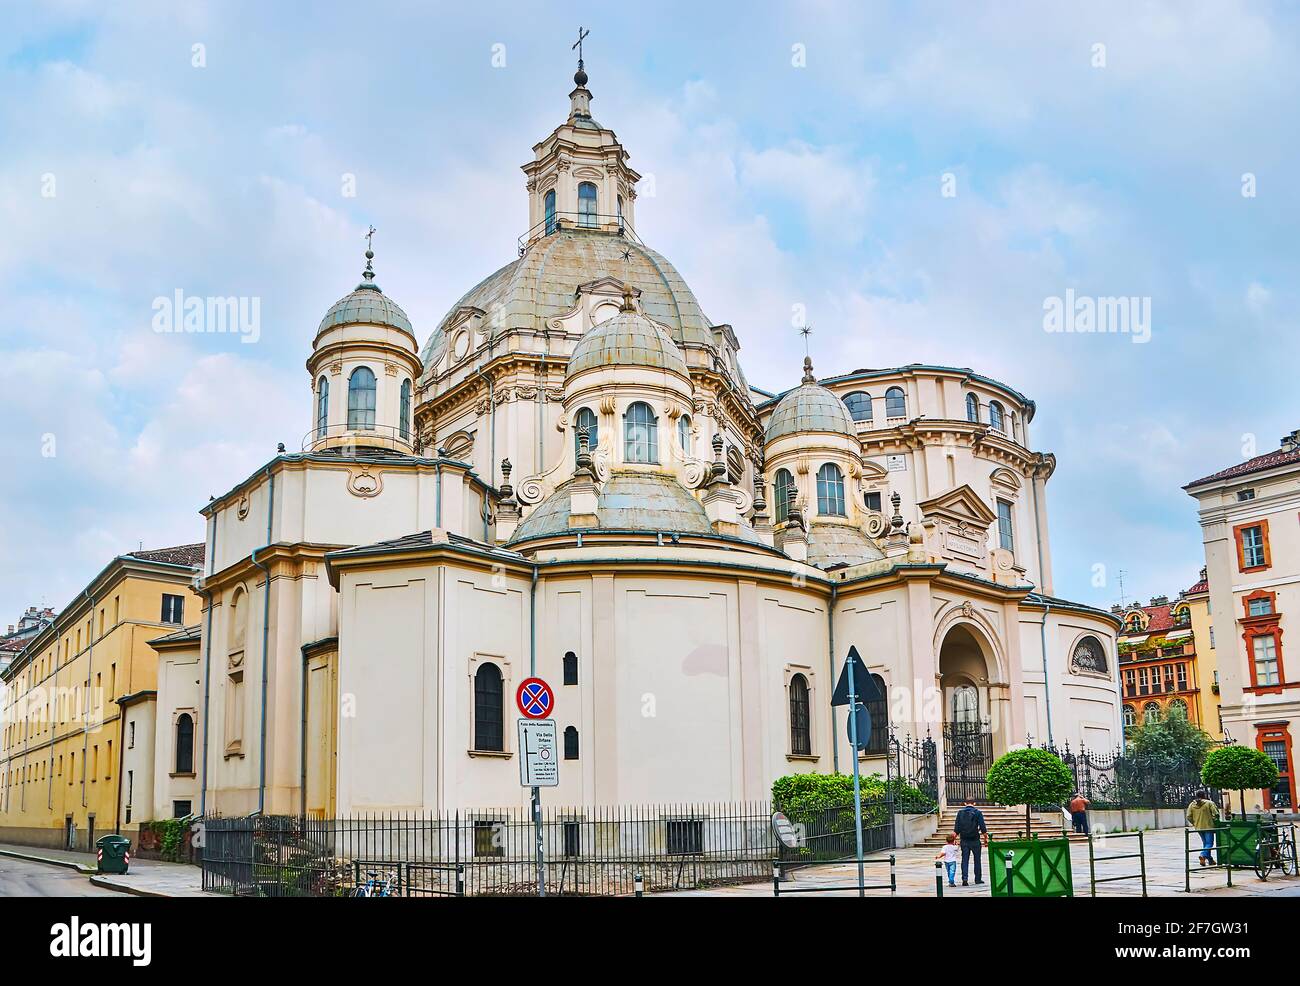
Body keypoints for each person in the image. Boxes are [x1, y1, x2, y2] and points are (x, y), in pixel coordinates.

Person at [953, 798, 989, 885]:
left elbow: (956, 828)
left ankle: (964, 879)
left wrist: (954, 839)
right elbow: (982, 827)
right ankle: (977, 879)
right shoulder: (978, 812)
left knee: (964, 859)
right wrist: (985, 838)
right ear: (974, 803)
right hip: (975, 839)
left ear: (965, 803)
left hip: (964, 839)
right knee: (977, 859)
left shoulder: (960, 813)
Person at [1187, 790, 1220, 866]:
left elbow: (1188, 816)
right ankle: (1202, 855)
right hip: (1209, 826)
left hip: (1198, 827)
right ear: (1204, 795)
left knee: (1205, 843)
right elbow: (1216, 814)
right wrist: (1214, 821)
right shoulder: (1209, 803)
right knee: (1209, 843)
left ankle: (1210, 860)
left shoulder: (1192, 805)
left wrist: (1194, 823)